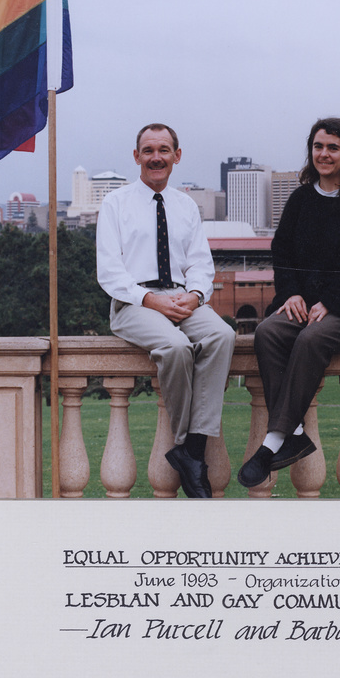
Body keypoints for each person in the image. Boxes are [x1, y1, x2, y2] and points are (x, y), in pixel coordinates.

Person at [238, 117, 340, 489]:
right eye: (318, 146)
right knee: (269, 332)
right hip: (307, 305)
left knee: (310, 339)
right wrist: (290, 293)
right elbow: (283, 250)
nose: (324, 154)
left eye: (333, 147)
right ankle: (292, 431)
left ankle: (271, 444)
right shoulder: (302, 198)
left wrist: (332, 301)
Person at [96, 123, 235, 498]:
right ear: (136, 156)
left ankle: (192, 451)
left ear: (176, 155)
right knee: (175, 348)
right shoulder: (116, 204)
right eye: (148, 150)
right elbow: (109, 271)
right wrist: (151, 300)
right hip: (134, 302)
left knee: (223, 335)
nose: (155, 157)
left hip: (180, 298)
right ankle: (186, 445)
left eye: (163, 150)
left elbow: (201, 264)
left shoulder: (185, 205)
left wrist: (195, 295)